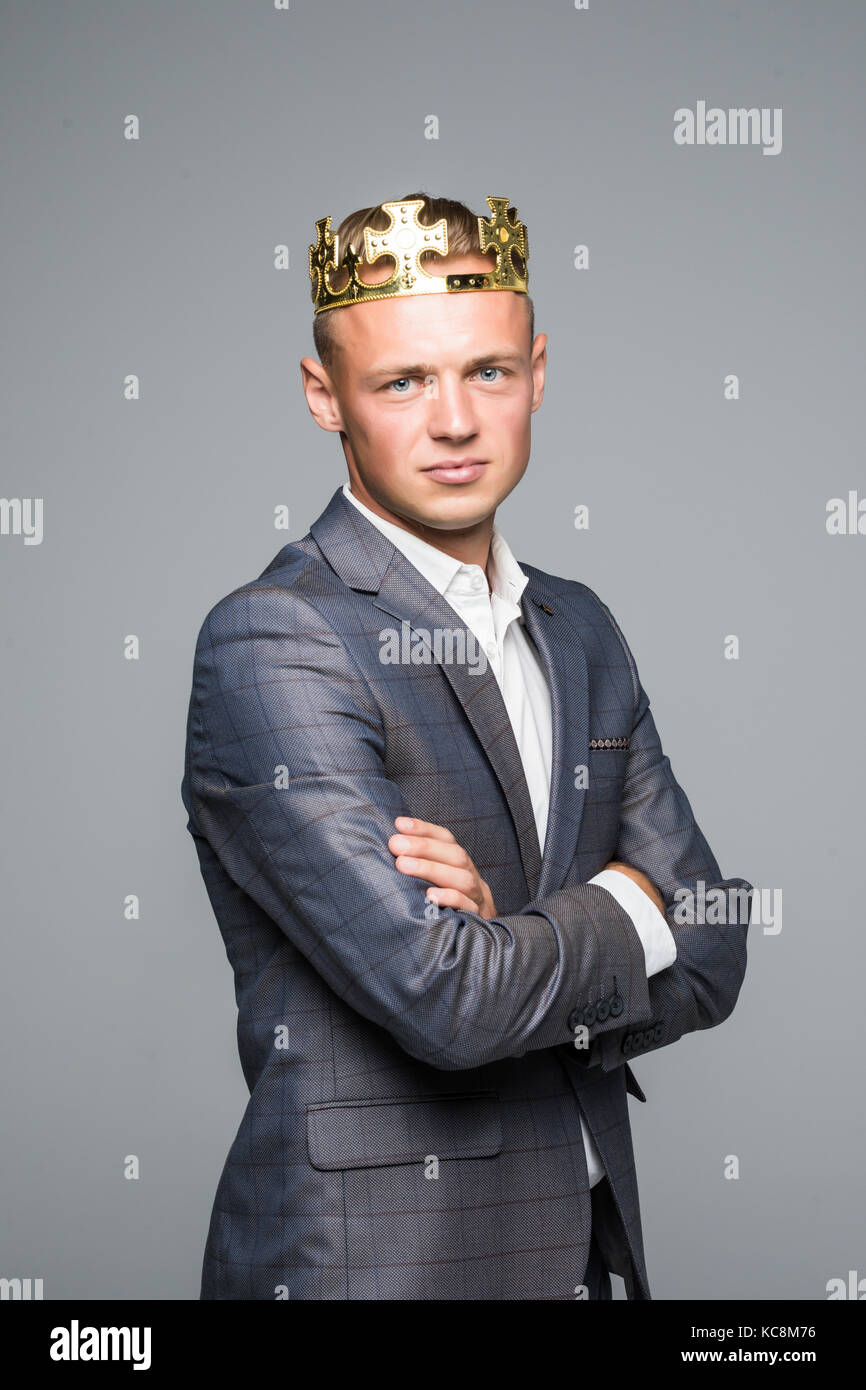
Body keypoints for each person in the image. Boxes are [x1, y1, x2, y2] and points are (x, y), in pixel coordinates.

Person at [180, 190, 753, 1300]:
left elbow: (717, 945)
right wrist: (633, 907)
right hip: (378, 1271)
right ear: (324, 395)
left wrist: (514, 941)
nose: (453, 421)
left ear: (536, 371)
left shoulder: (578, 625)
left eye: (485, 372)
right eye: (402, 381)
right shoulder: (276, 639)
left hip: (589, 1252)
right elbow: (449, 1000)